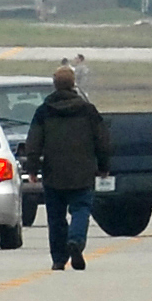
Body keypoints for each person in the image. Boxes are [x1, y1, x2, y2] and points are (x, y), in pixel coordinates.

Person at [20, 64, 112, 271]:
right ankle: (76, 242)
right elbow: (102, 140)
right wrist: (104, 166)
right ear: (73, 84)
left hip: (54, 172)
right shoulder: (88, 110)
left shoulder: (43, 111)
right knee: (81, 209)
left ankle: (58, 259)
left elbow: (33, 142)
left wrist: (32, 169)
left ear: (54, 85)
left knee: (55, 217)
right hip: (83, 171)